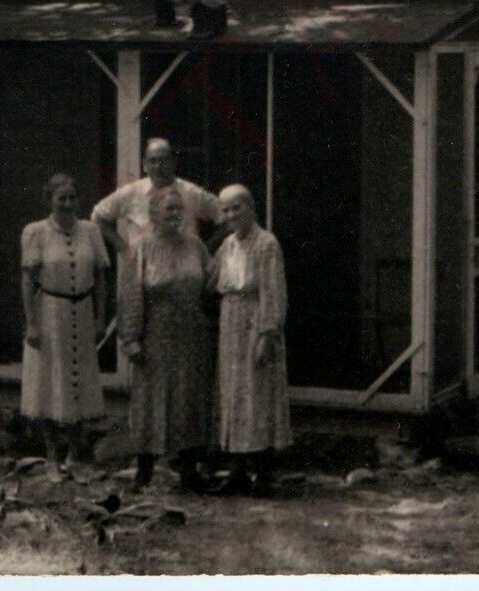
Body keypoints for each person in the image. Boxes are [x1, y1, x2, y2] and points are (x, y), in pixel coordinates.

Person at [116, 184, 215, 493]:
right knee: (151, 401)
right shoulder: (141, 247)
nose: (175, 214)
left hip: (191, 334)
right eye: (168, 209)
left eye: (178, 209)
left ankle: (188, 471)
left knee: (188, 399)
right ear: (154, 213)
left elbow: (211, 287)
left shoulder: (196, 246)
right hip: (155, 334)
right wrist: (131, 338)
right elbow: (131, 296)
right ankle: (144, 472)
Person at [20, 173, 109, 479]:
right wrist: (31, 323)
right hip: (50, 312)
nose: (68, 204)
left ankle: (75, 455)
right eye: (62, 198)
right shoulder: (36, 232)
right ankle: (51, 455)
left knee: (80, 380)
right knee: (49, 380)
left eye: (72, 197)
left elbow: (100, 278)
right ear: (50, 201)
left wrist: (100, 318)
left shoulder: (91, 231)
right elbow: (27, 279)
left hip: (82, 311)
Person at [207, 184, 292, 495]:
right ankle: (238, 469)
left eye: (237, 208)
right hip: (230, 324)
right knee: (233, 395)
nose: (231, 215)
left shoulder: (266, 244)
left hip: (255, 323)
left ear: (251, 208)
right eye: (226, 210)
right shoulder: (227, 245)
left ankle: (264, 473)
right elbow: (210, 278)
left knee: (259, 395)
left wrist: (266, 334)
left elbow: (273, 291)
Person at [92, 138, 221, 260]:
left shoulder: (191, 193)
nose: (158, 167)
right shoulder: (131, 192)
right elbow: (98, 216)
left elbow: (224, 215)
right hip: (144, 271)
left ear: (173, 163)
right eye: (152, 161)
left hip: (185, 273)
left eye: (163, 160)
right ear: (144, 165)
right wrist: (124, 249)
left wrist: (204, 250)